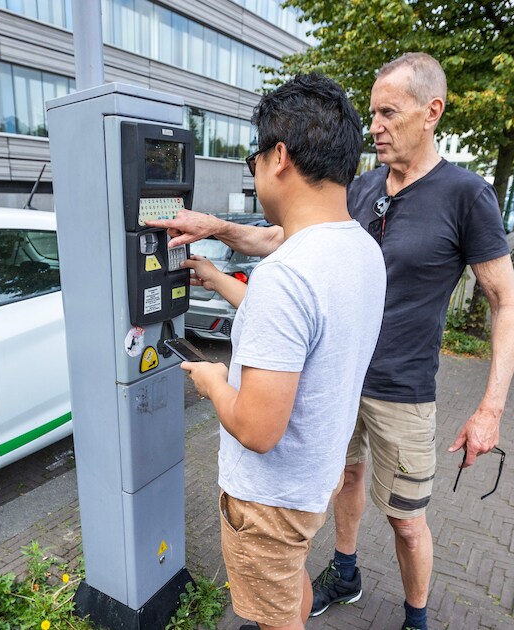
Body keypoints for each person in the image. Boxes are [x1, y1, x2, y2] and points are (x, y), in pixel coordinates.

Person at [150, 52, 514, 630]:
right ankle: (344, 570)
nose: (377, 125)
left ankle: (415, 616)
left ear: (432, 112)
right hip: (327, 413)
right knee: (328, 512)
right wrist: (221, 250)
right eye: (371, 114)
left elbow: (259, 423)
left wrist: (213, 380)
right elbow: (296, 286)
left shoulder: (465, 195)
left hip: (376, 403)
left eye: (389, 112)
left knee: (401, 521)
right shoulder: (360, 220)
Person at [178, 73, 387, 630]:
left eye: (252, 157)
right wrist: (217, 278)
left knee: (276, 621)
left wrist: (213, 381)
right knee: (290, 581)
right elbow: (301, 334)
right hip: (314, 478)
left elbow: (257, 428)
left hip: (267, 500)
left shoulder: (287, 273)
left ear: (278, 156)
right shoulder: (361, 249)